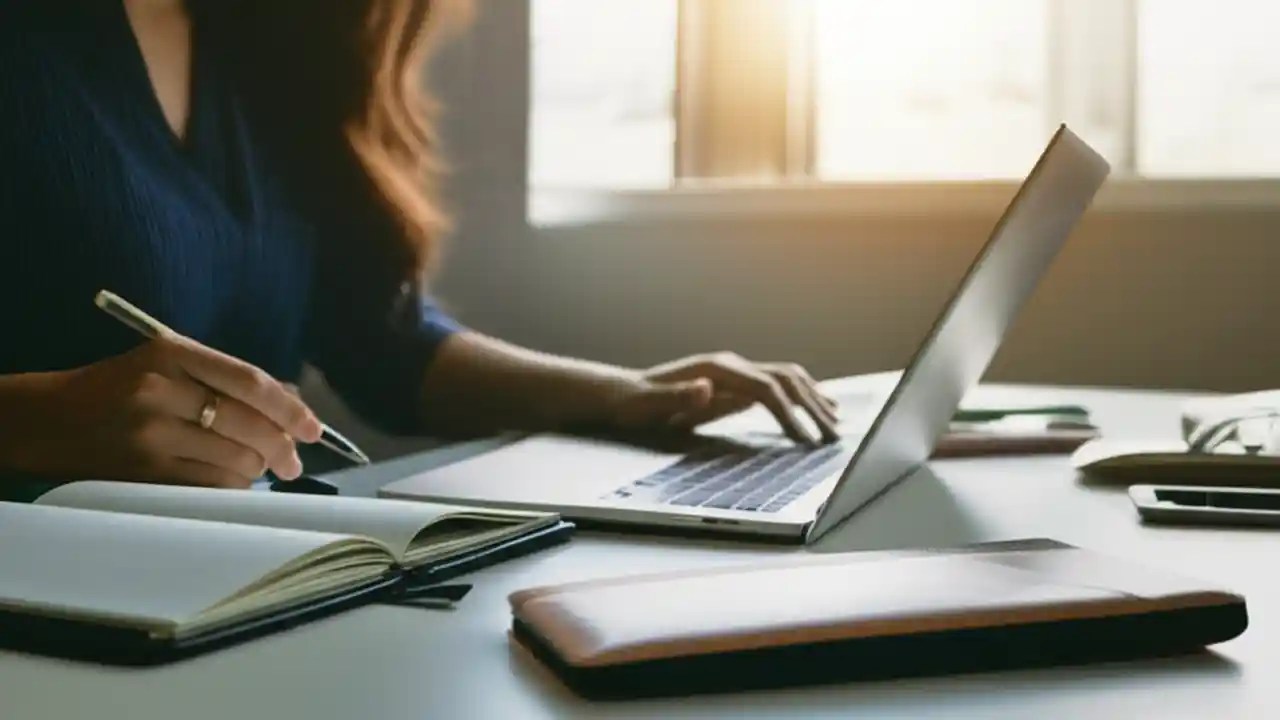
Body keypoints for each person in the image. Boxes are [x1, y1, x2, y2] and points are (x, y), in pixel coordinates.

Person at [0, 0, 838, 496]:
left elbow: (385, 345)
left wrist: (625, 396)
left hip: (235, 587)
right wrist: (37, 422)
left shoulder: (267, 40)